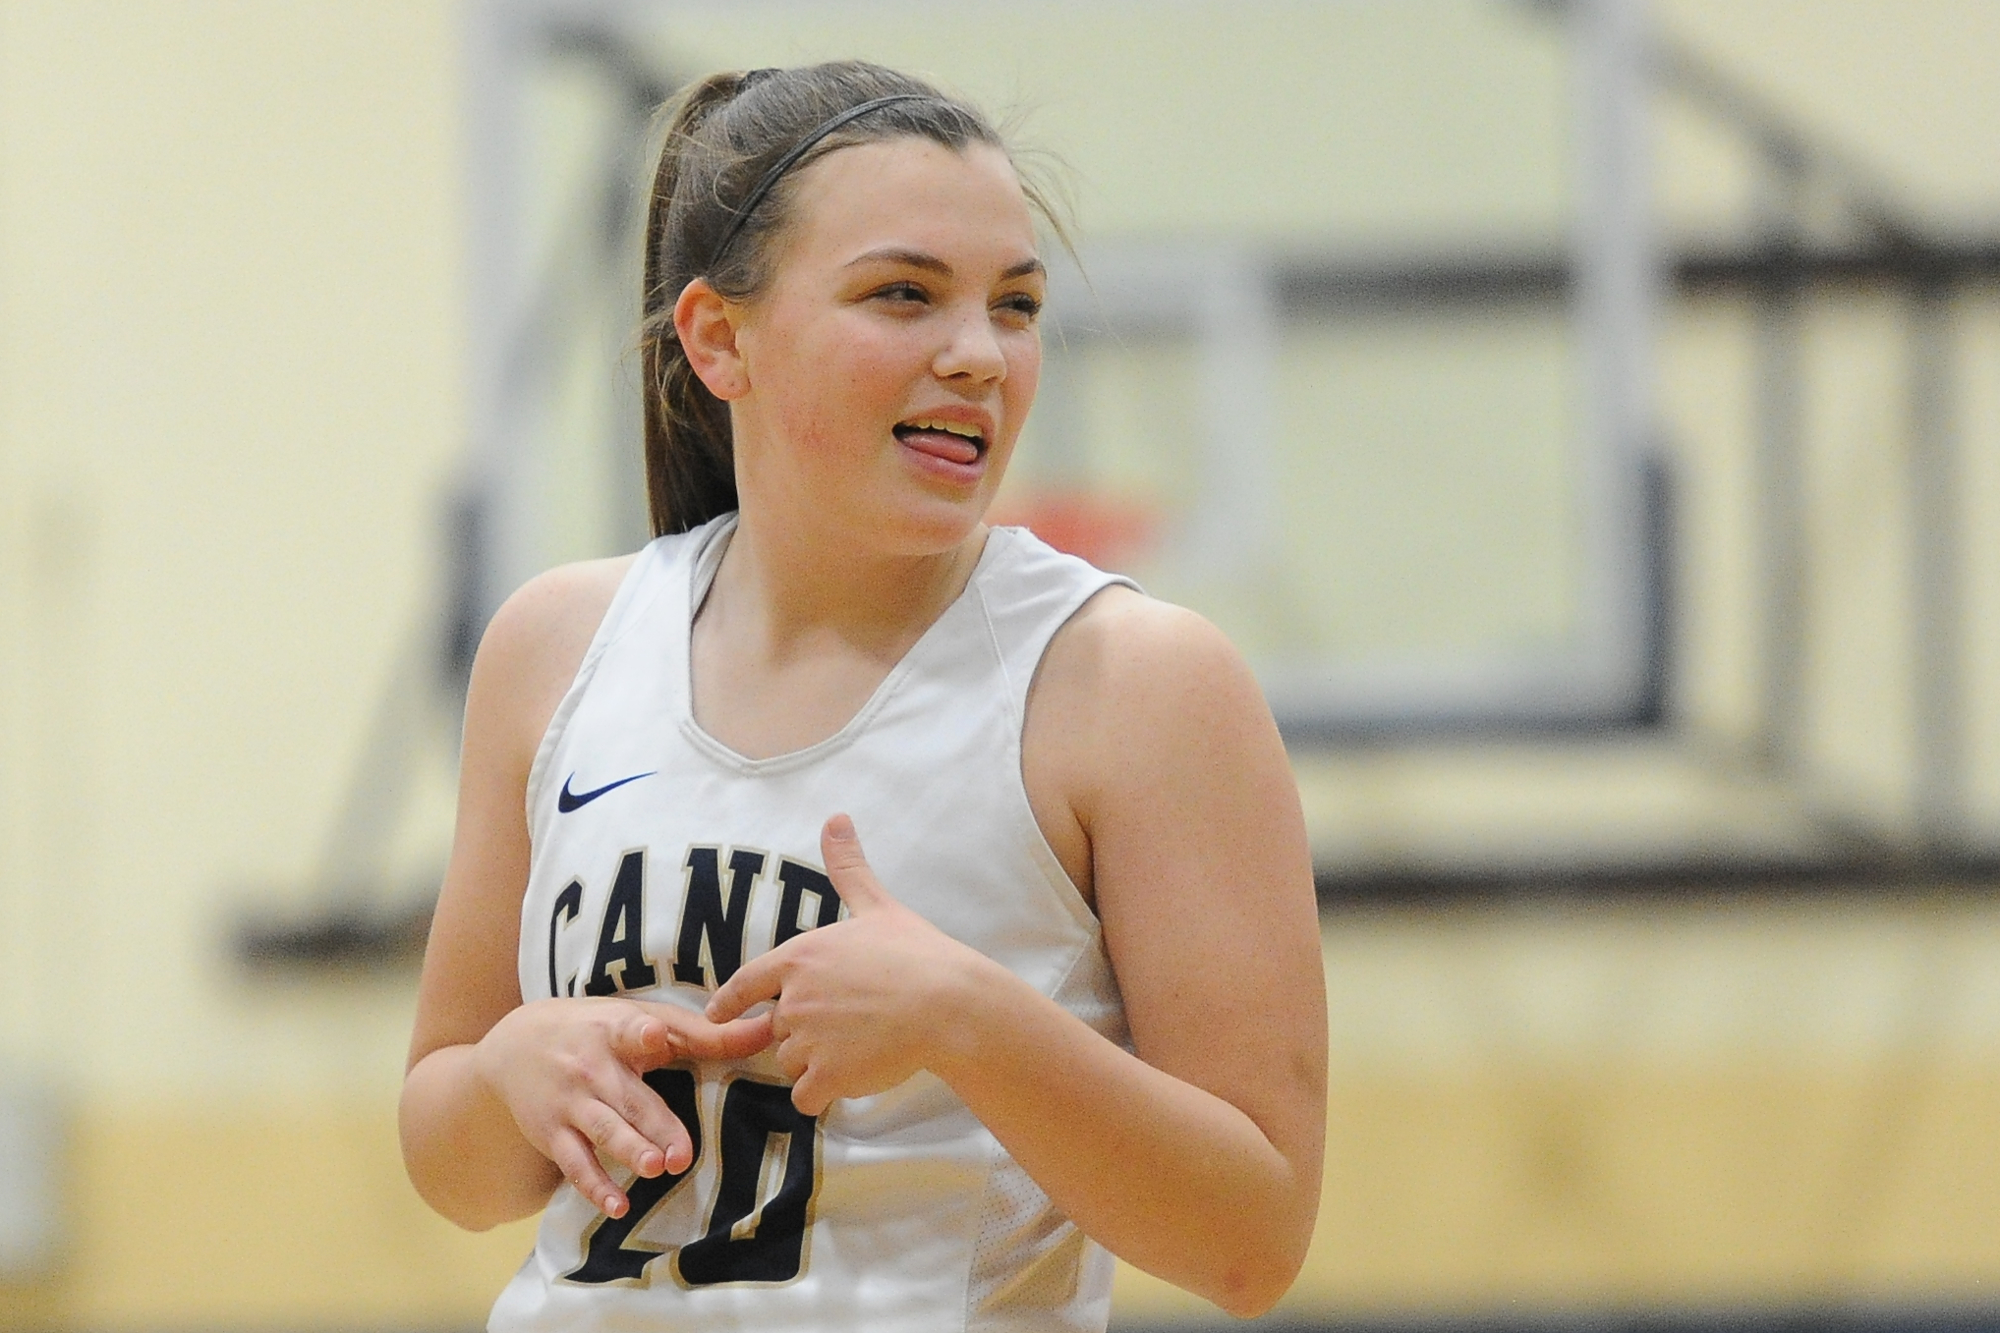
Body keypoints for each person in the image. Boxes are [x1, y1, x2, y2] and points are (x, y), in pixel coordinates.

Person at [400, 60, 1326, 1333]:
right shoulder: (557, 644)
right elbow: (452, 1164)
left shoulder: (1134, 682)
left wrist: (966, 1017)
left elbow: (1251, 1242)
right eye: (904, 294)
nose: (977, 355)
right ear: (720, 339)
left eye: (1014, 305)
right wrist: (510, 1074)